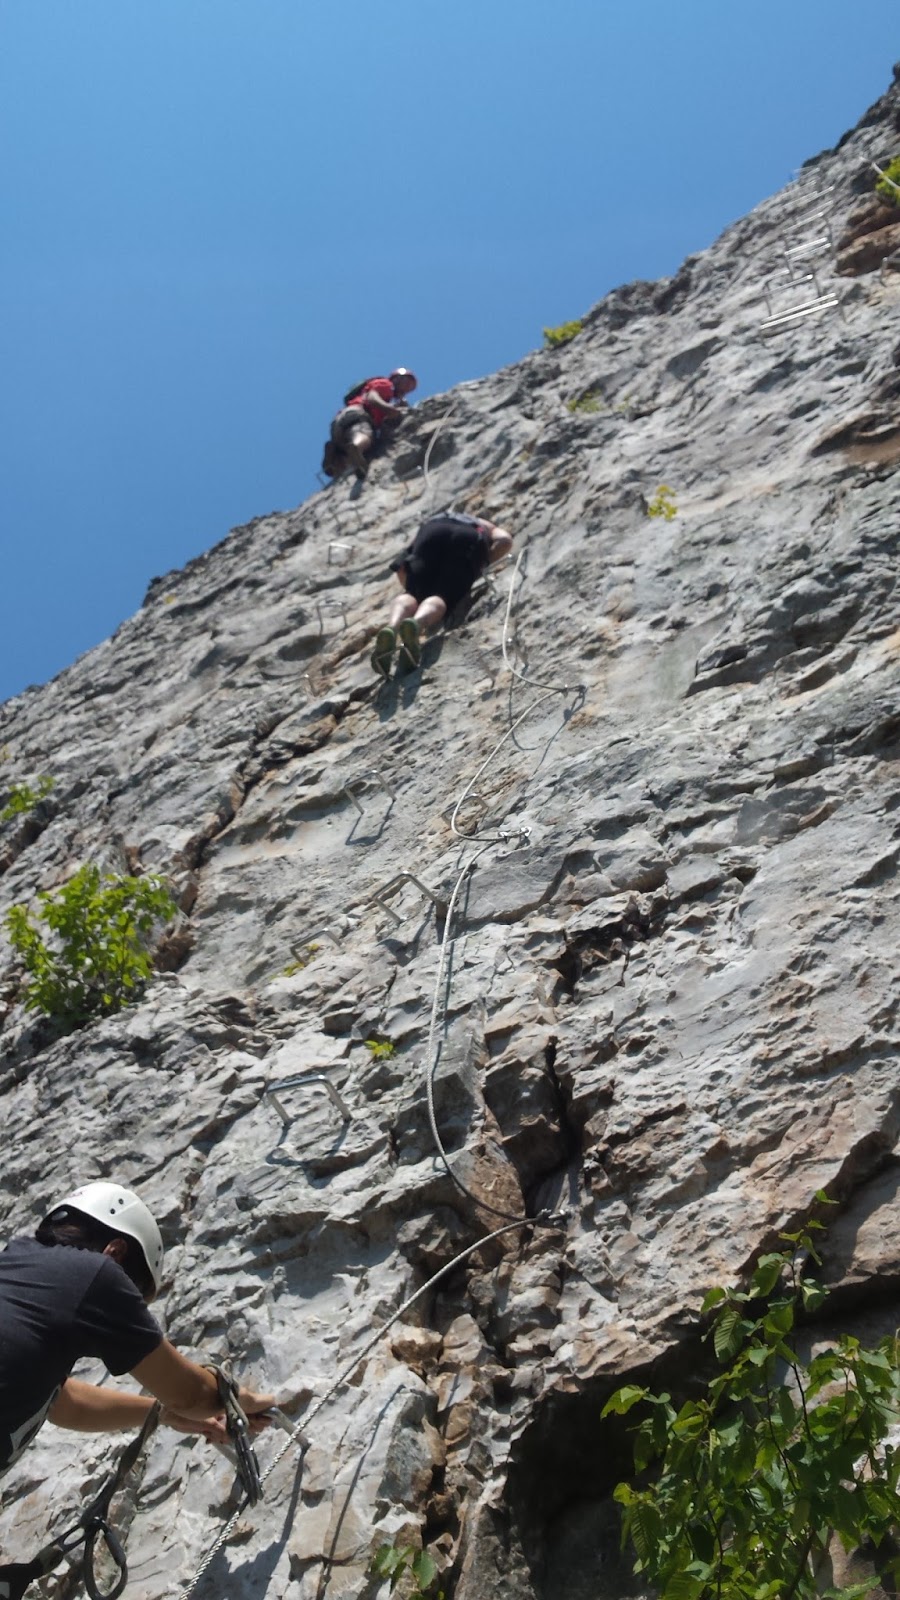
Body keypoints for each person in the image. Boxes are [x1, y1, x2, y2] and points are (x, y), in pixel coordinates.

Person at [0, 1181, 275, 1478]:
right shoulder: (96, 1274)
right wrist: (245, 1400)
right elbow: (192, 1395)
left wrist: (162, 1414)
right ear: (115, 1252)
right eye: (133, 1293)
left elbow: (65, 1402)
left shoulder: (15, 1268)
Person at [370, 511, 513, 678]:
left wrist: (412, 587)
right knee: (442, 595)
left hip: (432, 533)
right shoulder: (482, 523)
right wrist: (480, 564)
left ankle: (393, 626)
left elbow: (402, 566)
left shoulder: (435, 518)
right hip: (467, 539)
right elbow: (505, 540)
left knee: (413, 593)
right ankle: (416, 624)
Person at [327, 368, 418, 479]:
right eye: (407, 383)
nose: (407, 389)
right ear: (397, 379)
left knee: (345, 453)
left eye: (409, 388)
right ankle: (356, 446)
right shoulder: (386, 384)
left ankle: (334, 455)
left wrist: (397, 406)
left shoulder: (386, 396)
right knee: (364, 434)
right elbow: (372, 398)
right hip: (358, 414)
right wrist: (389, 409)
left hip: (339, 422)